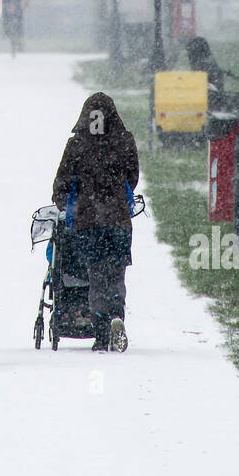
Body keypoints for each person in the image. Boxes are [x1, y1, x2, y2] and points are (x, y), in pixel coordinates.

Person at [51, 92, 139, 352]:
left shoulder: (77, 145)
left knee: (97, 277)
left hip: (88, 221)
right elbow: (132, 177)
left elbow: (62, 182)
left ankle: (101, 334)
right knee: (117, 274)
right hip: (118, 220)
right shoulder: (124, 141)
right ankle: (117, 316)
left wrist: (67, 203)